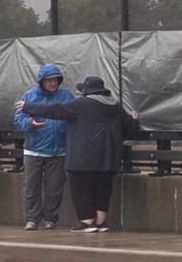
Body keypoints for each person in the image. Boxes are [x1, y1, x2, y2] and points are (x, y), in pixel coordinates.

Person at [16, 75, 142, 233]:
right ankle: (101, 222)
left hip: (84, 158)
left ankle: (87, 222)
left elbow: (55, 110)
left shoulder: (81, 104)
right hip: (109, 158)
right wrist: (135, 120)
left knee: (81, 189)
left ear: (87, 90)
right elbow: (129, 129)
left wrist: (28, 106)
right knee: (103, 190)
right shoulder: (115, 106)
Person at [14, 62, 73, 230]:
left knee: (54, 188)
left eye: (55, 80)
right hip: (34, 150)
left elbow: (74, 114)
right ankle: (32, 219)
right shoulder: (29, 96)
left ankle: (50, 219)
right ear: (41, 81)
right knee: (31, 188)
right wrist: (28, 123)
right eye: (49, 80)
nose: (53, 83)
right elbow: (17, 120)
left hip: (58, 150)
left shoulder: (66, 96)